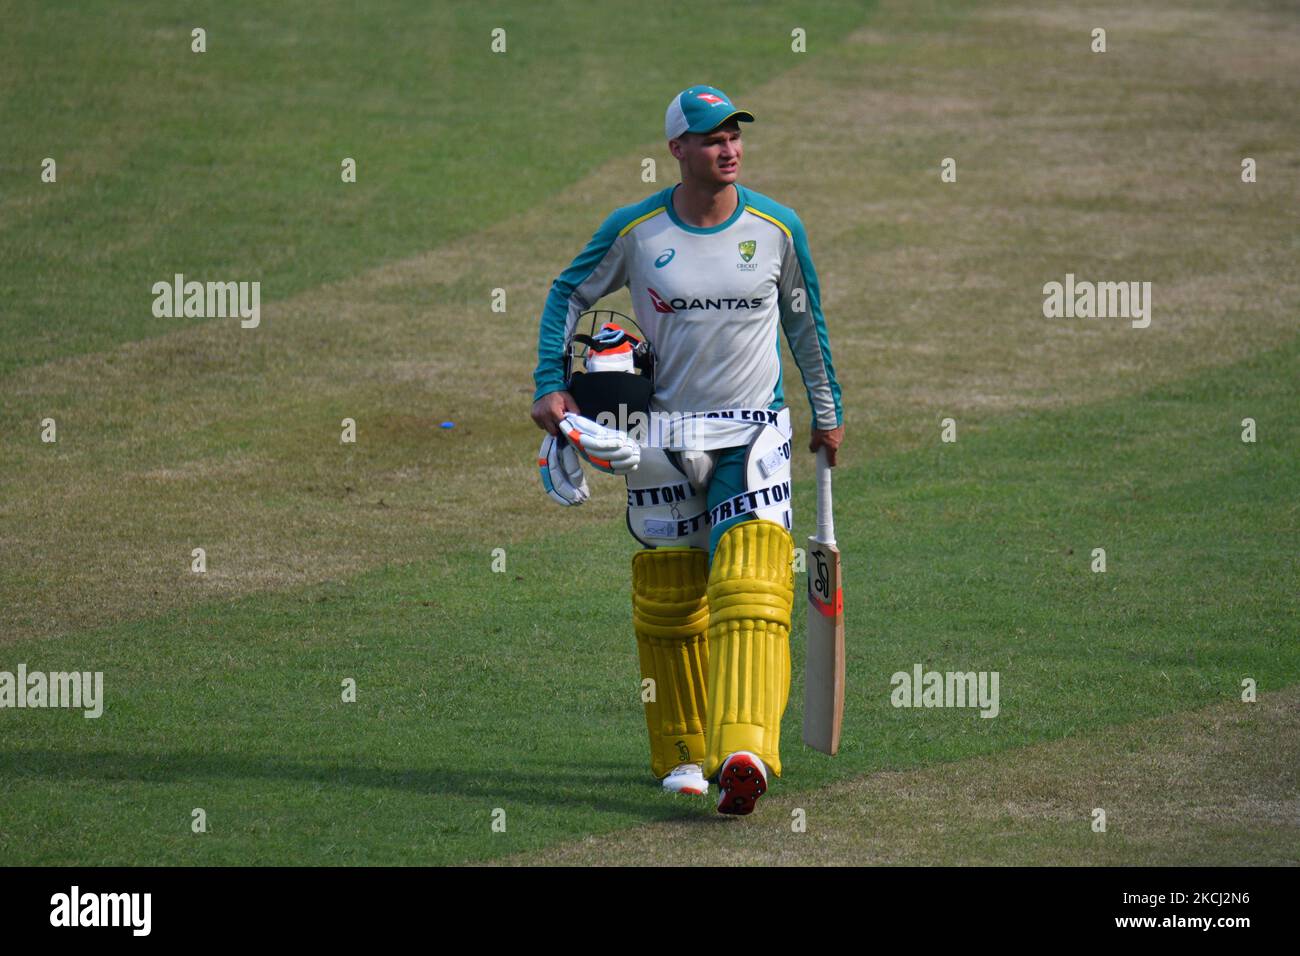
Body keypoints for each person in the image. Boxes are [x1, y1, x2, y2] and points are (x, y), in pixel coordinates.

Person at [529, 85, 844, 815]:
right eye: (709, 138)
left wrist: (827, 416)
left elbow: (806, 327)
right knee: (672, 604)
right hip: (661, 437)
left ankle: (744, 749)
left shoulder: (776, 228)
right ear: (676, 150)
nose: (727, 148)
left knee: (753, 583)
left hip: (752, 428)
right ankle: (680, 753)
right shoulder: (637, 231)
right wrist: (552, 386)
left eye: (734, 135)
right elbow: (566, 294)